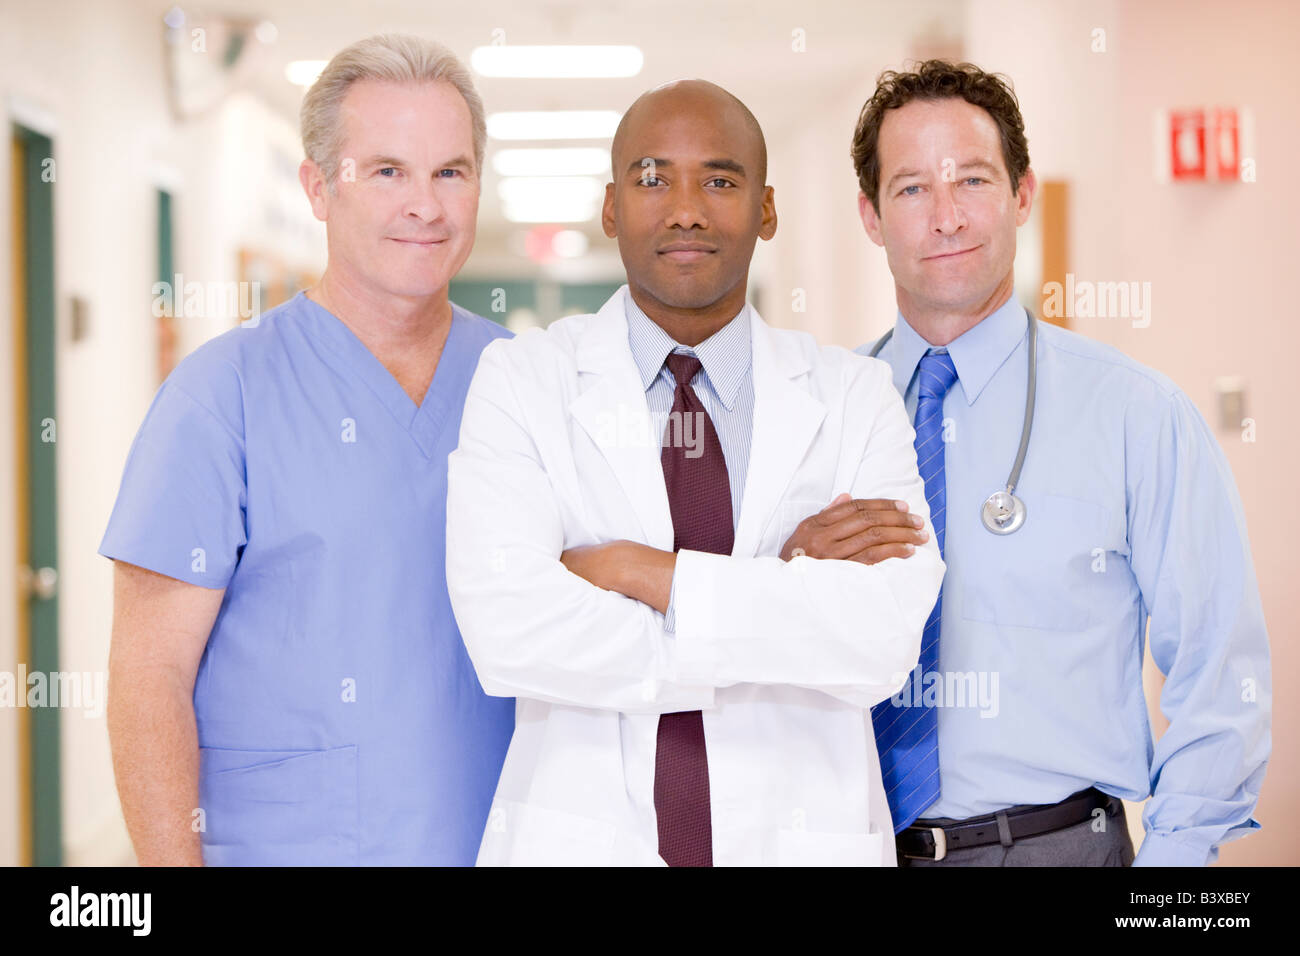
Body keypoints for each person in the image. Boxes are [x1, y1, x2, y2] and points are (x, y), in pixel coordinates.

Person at [445, 79, 945, 867]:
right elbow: (508, 631)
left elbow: (880, 641)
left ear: (766, 210)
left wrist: (642, 572)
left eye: (719, 180)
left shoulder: (854, 395)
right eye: (652, 180)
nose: (685, 210)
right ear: (611, 208)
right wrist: (776, 589)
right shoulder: (524, 381)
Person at [99, 34, 513, 865]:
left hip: (500, 839)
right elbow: (149, 680)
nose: (425, 206)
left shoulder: (523, 383)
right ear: (319, 188)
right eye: (387, 171)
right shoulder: (221, 397)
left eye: (450, 172)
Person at [846, 59, 1270, 866]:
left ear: (1023, 194)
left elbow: (1221, 674)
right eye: (911, 189)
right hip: (850, 846)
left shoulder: (1134, 413)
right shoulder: (828, 414)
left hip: (1055, 846)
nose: (946, 218)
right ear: (871, 215)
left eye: (972, 180)